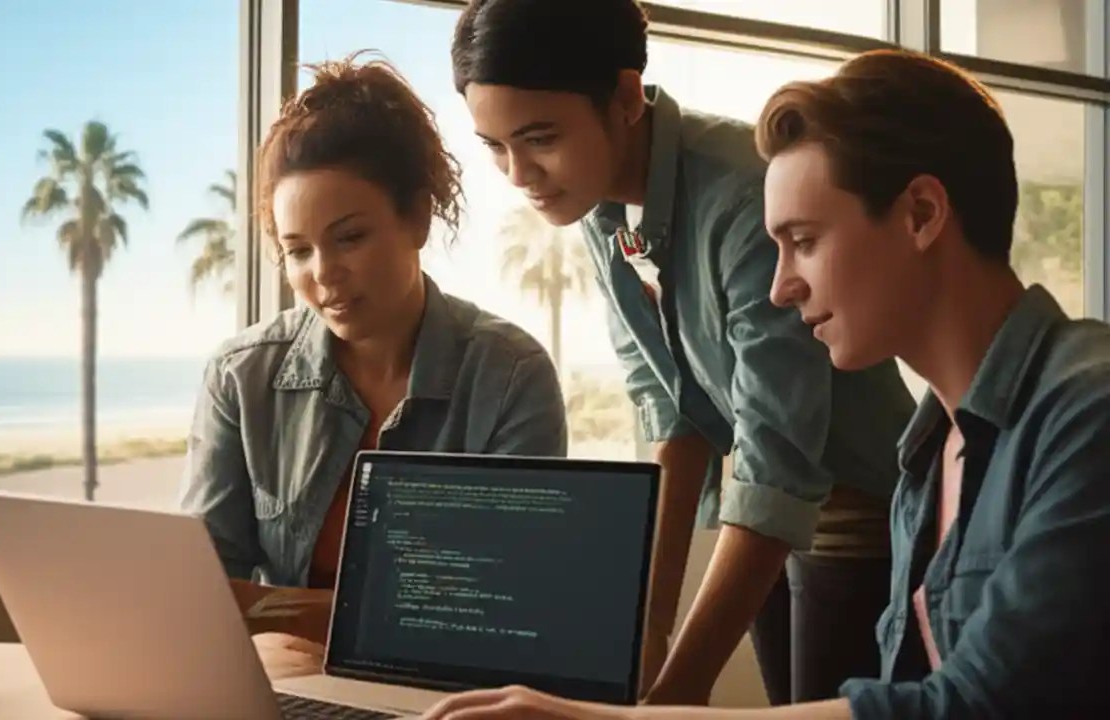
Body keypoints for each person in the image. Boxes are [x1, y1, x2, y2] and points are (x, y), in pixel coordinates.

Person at [421, 48, 1110, 719]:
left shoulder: (1087, 412)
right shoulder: (927, 463)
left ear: (922, 215)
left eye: (803, 241)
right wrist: (646, 644)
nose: (780, 287)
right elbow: (675, 415)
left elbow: (970, 704)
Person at [451, 0, 913, 704]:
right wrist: (646, 635)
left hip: (857, 511)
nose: (519, 173)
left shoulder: (742, 194)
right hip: (763, 506)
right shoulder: (598, 208)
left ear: (626, 97)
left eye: (540, 138)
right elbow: (674, 420)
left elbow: (778, 457)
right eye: (494, 145)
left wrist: (672, 697)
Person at [179, 53, 568, 655]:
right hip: (287, 685)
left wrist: (268, 607)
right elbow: (197, 595)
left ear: (416, 216)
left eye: (350, 237)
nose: (325, 275)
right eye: (299, 251)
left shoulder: (510, 376)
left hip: (446, 695)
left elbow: (492, 613)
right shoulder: (241, 377)